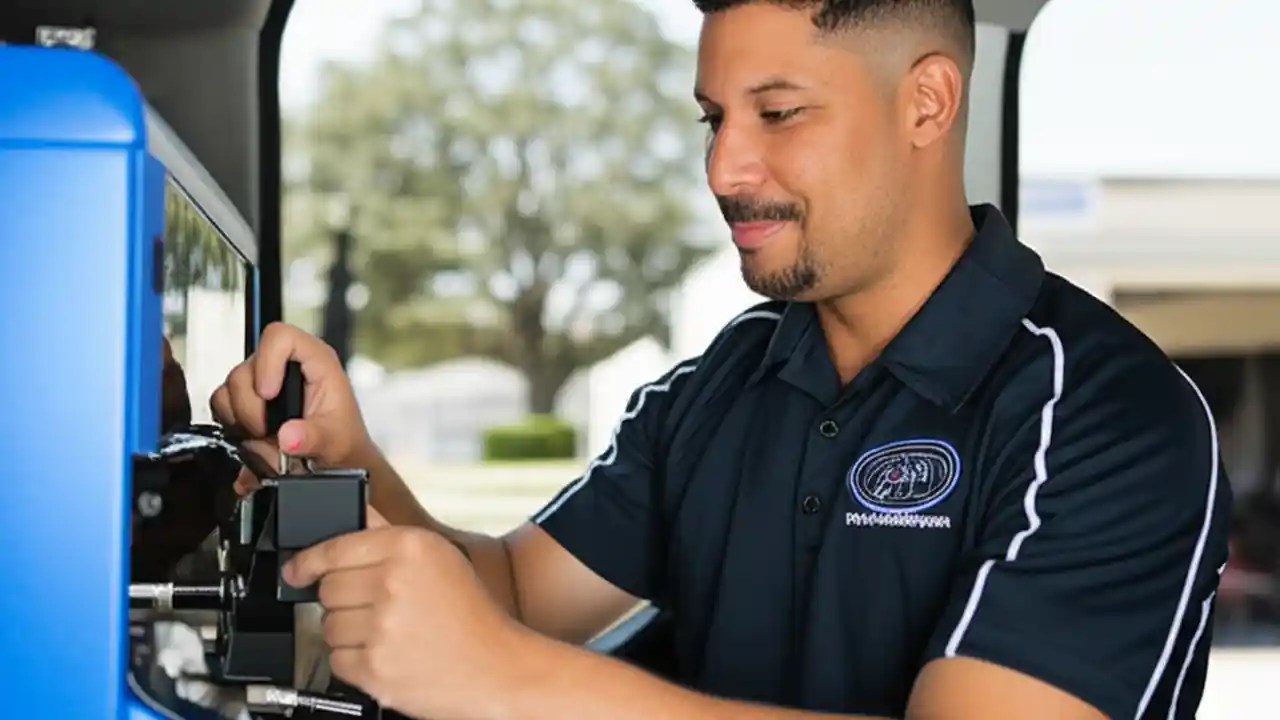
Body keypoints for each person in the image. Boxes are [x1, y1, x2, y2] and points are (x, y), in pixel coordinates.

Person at [212, 1, 1233, 717]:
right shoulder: (722, 383)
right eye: (712, 119)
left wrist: (509, 685)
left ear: (925, 104)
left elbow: (500, 655)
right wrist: (344, 459)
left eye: (777, 114)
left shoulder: (1105, 414)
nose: (722, 168)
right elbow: (511, 599)